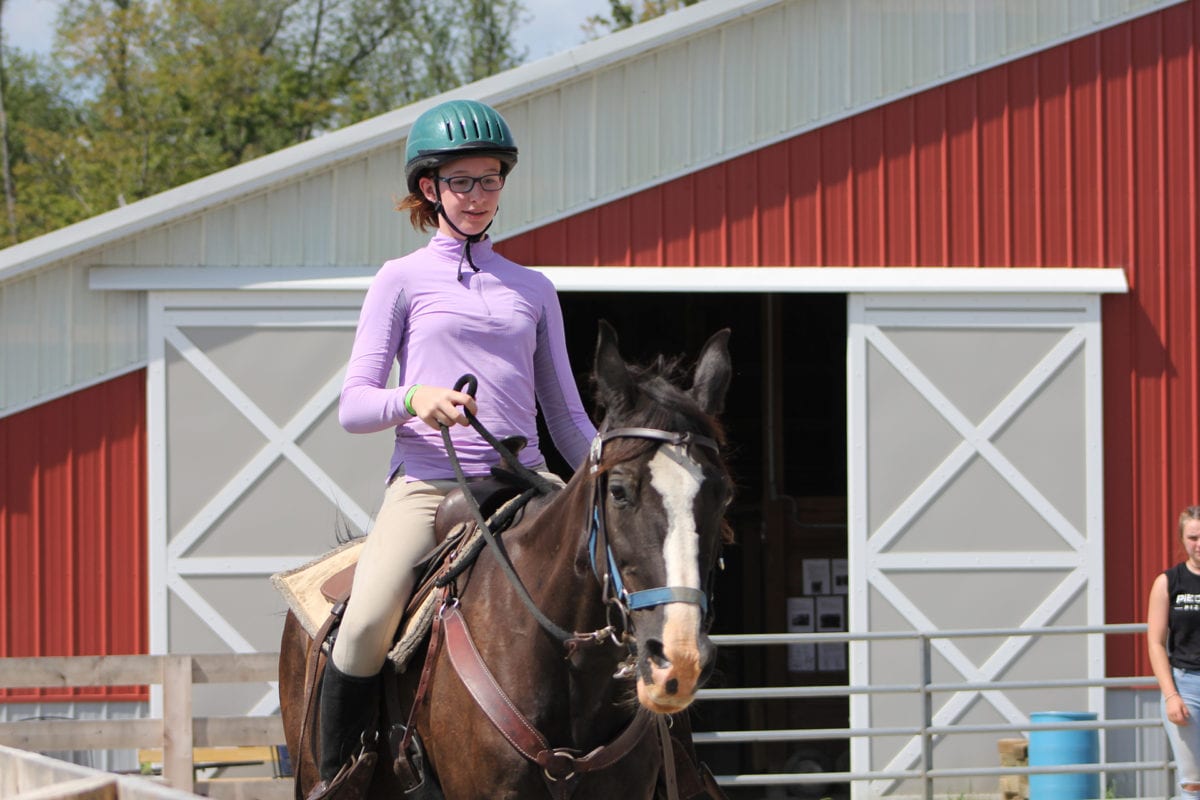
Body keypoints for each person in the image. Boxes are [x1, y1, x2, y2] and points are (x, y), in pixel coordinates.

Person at [310, 98, 597, 796]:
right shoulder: (400, 280)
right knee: (365, 626)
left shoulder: (533, 289)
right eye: (461, 182)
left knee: (625, 586)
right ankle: (341, 776)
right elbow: (353, 405)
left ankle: (669, 758)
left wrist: (608, 470)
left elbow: (564, 415)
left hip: (526, 483)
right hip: (430, 486)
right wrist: (415, 399)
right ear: (429, 189)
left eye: (490, 180)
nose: (477, 196)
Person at [1148, 505, 1200, 800]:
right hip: (1187, 687)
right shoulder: (1169, 582)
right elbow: (1155, 642)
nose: (1199, 544)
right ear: (1182, 540)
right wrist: (1171, 695)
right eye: (1192, 537)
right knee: (1193, 782)